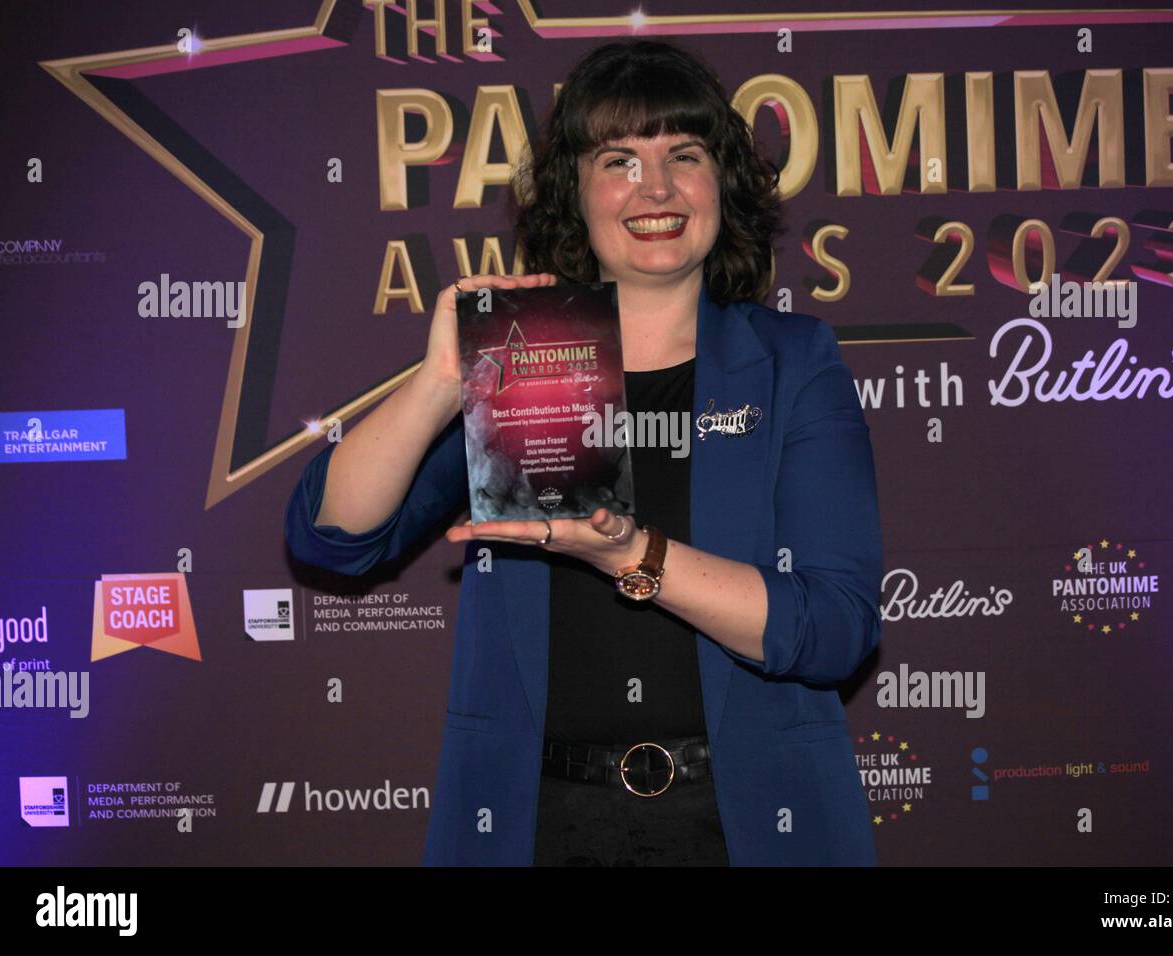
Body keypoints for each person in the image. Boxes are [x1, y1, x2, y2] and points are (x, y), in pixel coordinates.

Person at [284, 38, 883, 866]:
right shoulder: (523, 360)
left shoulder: (791, 361)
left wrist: (631, 555)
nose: (658, 188)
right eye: (619, 160)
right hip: (539, 826)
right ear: (575, 191)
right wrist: (438, 382)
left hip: (751, 823)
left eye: (684, 153)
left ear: (722, 184)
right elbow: (332, 538)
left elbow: (835, 630)